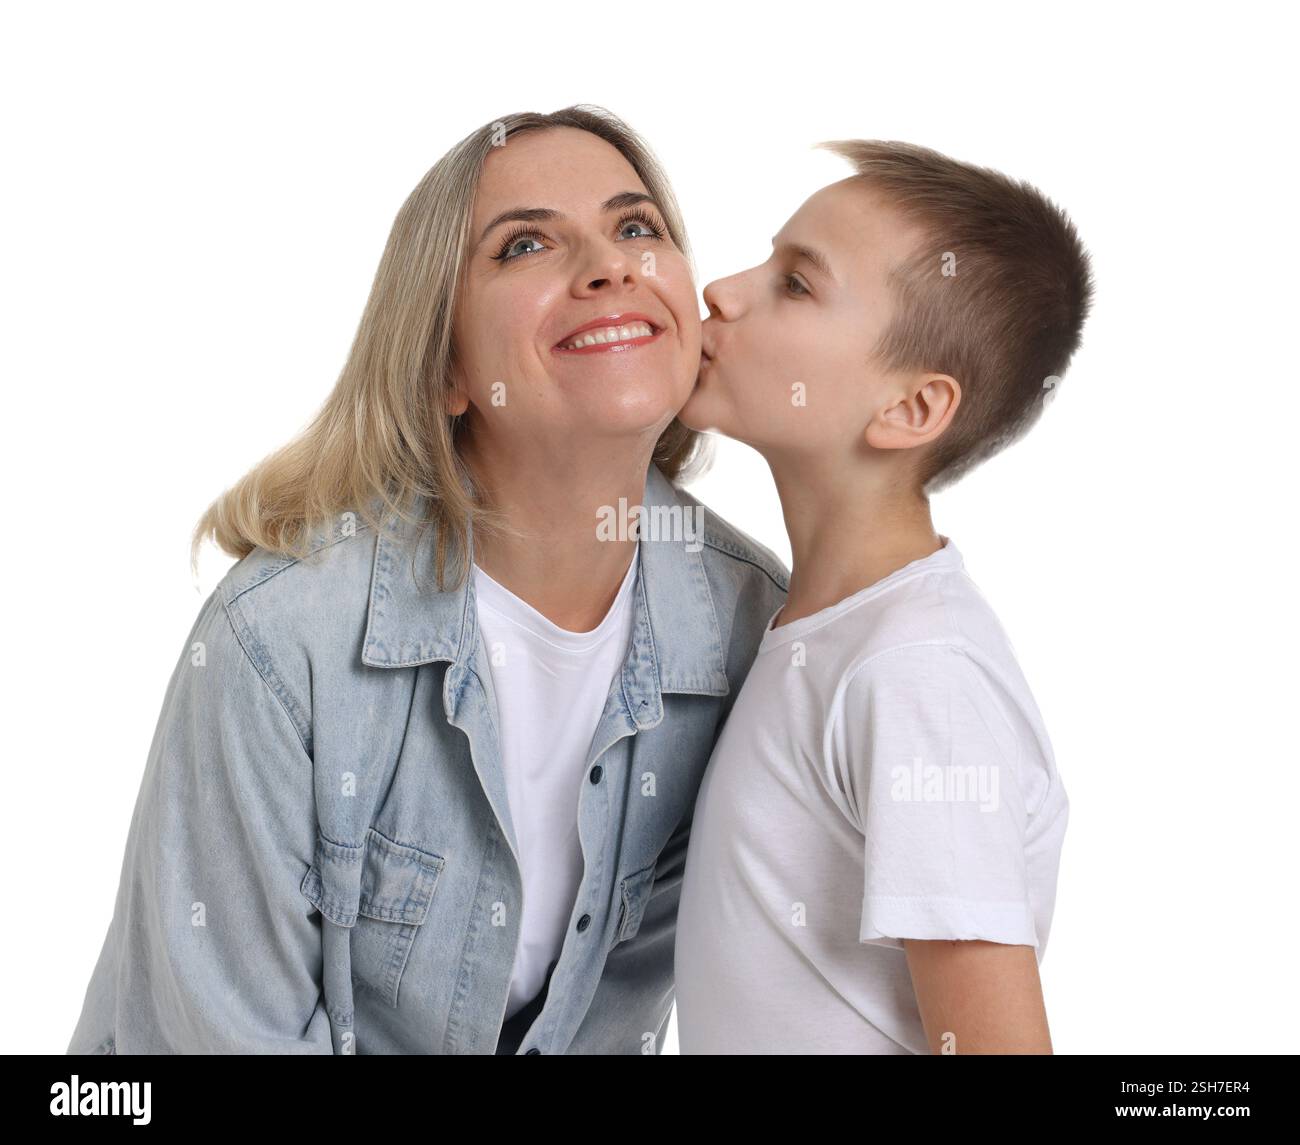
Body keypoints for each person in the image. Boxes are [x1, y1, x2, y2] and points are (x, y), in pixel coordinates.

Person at [66, 105, 788, 1055]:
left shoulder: (752, 628)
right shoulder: (279, 637)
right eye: (526, 244)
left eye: (636, 226)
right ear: (446, 364)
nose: (610, 265)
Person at [673, 140, 1092, 1053]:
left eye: (797, 283)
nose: (724, 291)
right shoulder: (806, 627)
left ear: (910, 409)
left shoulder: (916, 674)